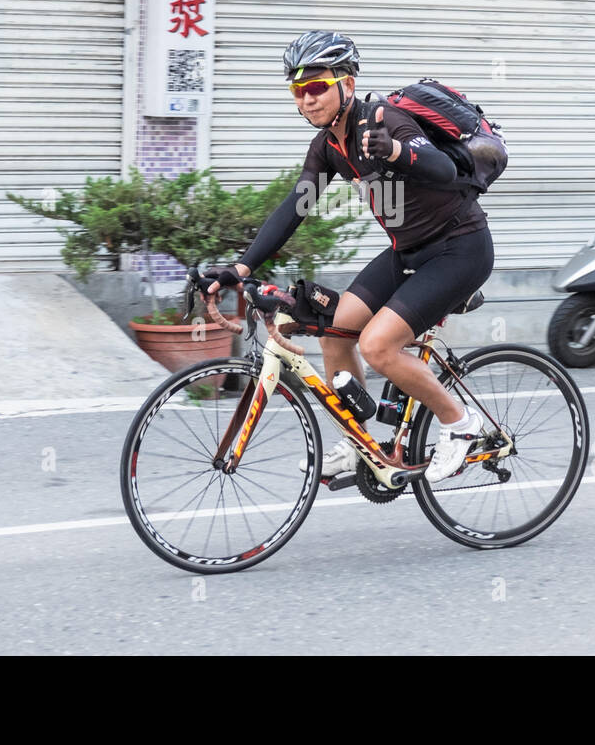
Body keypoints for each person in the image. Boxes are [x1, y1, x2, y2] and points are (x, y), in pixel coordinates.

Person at [201, 29, 495, 483]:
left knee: (378, 345)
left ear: (348, 85)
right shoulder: (328, 146)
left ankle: (461, 425)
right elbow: (294, 209)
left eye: (316, 86)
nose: (307, 100)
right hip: (407, 252)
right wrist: (240, 268)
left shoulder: (385, 120)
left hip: (460, 249)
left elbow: (444, 168)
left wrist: (396, 151)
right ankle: (359, 443)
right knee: (333, 330)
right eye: (298, 91)